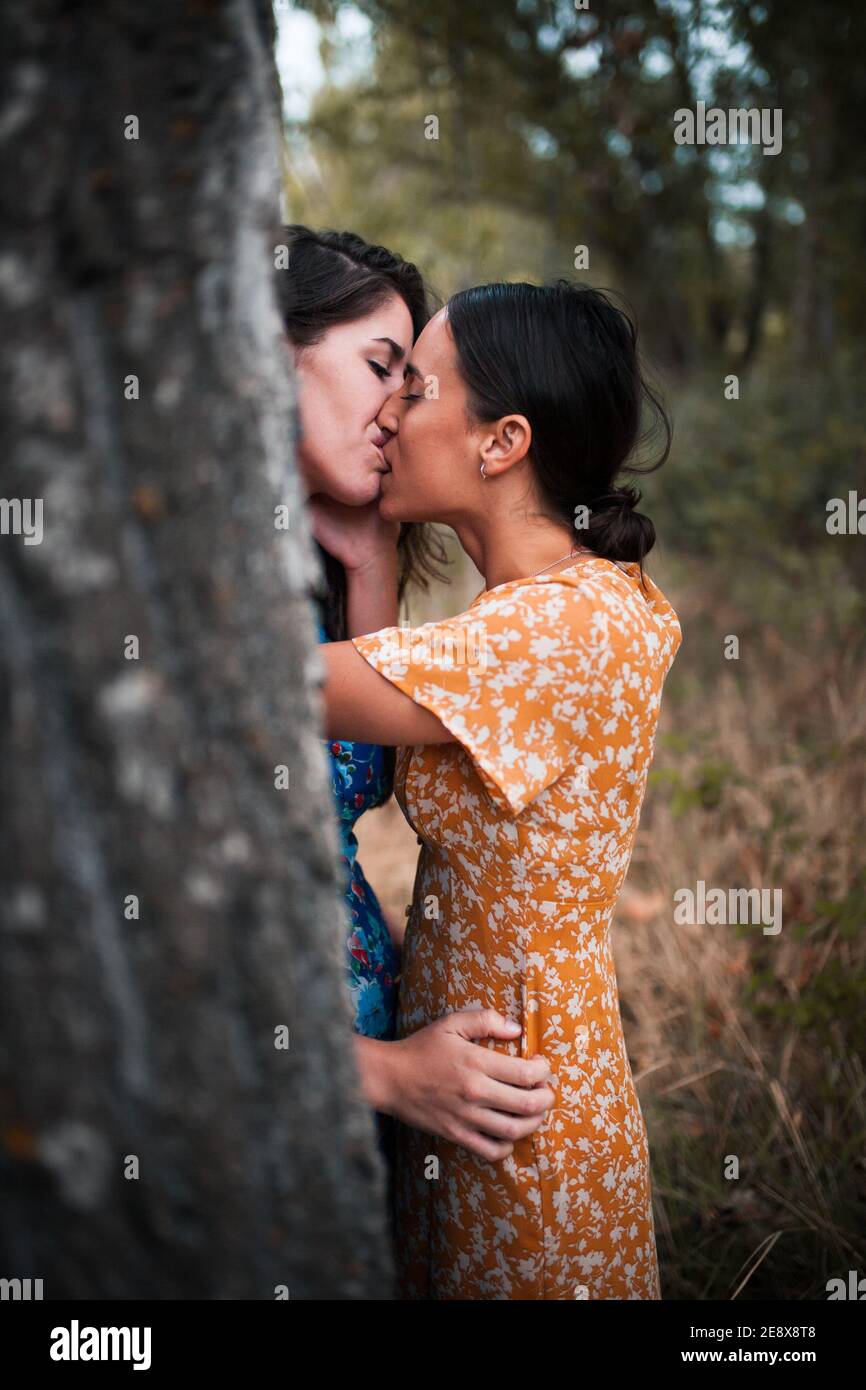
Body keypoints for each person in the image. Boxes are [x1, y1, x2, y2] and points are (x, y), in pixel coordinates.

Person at [319, 280, 683, 1299]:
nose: (387, 412)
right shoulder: (540, 610)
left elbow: (270, 687)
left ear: (500, 442)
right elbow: (380, 720)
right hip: (465, 1065)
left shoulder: (556, 631)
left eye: (416, 388)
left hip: (517, 1107)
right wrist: (367, 558)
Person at [277, 231, 556, 1204]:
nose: (396, 411)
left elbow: (362, 780)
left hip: (363, 1043)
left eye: (411, 382)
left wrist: (365, 566)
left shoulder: (316, 563)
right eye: (377, 368)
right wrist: (386, 1073)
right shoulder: (166, 587)